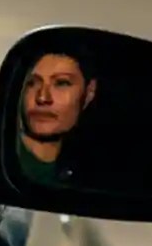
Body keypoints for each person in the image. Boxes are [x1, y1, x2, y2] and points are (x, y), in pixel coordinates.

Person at [16, 47, 98, 186]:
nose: (42, 97)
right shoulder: (6, 163)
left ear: (89, 92)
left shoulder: (89, 173)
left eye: (61, 83)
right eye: (32, 83)